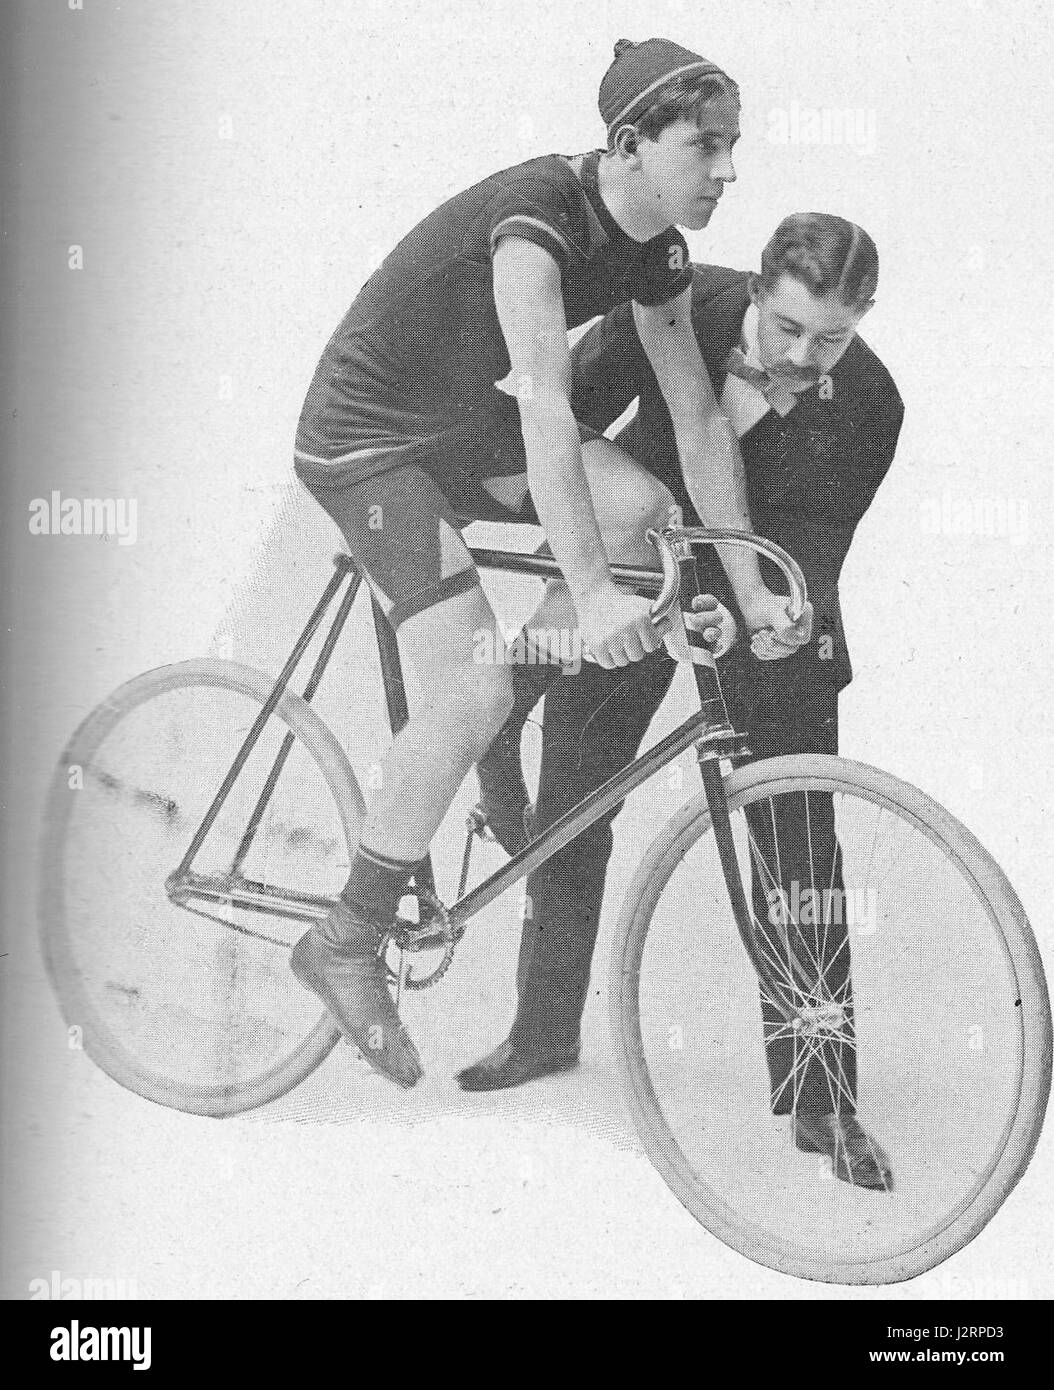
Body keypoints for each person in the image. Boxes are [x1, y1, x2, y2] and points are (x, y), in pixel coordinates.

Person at [289, 39, 808, 1088]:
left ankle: (501, 717)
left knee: (643, 507)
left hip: (454, 429)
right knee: (468, 680)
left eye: (733, 147)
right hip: (369, 438)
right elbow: (542, 408)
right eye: (704, 146)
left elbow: (696, 415)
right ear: (628, 145)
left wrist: (748, 579)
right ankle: (345, 936)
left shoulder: (654, 250)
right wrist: (587, 592)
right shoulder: (535, 221)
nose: (727, 171)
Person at [460, 213, 904, 1191]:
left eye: (828, 338)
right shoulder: (666, 310)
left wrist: (776, 618)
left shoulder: (870, 402)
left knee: (797, 838)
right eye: (783, 328)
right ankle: (539, 1030)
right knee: (572, 795)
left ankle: (822, 1090)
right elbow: (552, 423)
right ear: (753, 289)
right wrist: (601, 560)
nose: (799, 356)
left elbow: (809, 553)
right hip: (635, 569)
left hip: (752, 587)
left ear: (862, 319)